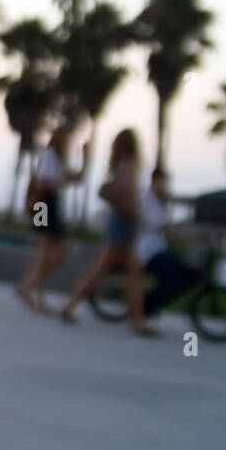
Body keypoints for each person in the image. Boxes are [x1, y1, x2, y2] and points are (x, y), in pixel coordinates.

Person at [57, 129, 153, 334]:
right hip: (126, 223)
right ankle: (136, 321)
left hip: (117, 221)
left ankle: (135, 319)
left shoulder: (118, 165)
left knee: (122, 272)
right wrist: (138, 219)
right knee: (123, 273)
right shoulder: (131, 165)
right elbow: (132, 195)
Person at [13, 122, 90, 312]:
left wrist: (85, 158)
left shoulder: (58, 160)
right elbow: (43, 183)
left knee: (58, 255)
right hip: (43, 205)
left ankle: (27, 285)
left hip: (50, 205)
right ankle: (37, 296)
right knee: (45, 253)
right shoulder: (50, 156)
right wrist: (62, 181)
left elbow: (77, 177)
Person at [137, 167, 198, 318]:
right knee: (175, 276)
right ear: (155, 181)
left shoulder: (157, 202)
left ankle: (150, 304)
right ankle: (145, 305)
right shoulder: (146, 200)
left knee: (188, 274)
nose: (165, 186)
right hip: (147, 252)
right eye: (163, 182)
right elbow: (164, 227)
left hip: (158, 250)